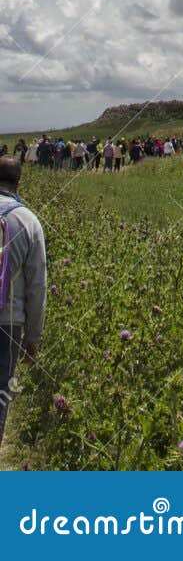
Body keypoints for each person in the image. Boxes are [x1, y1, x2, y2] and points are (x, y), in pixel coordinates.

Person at [0, 157, 47, 446]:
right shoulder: (28, 221)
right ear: (19, 182)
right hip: (9, 322)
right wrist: (33, 336)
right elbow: (37, 285)